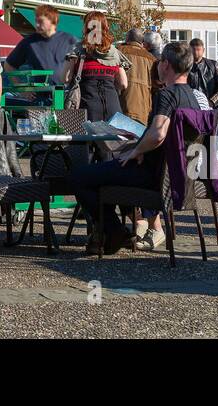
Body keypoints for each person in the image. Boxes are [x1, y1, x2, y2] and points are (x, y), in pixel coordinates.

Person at [67, 41, 208, 255]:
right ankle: (112, 231)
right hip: (178, 176)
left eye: (160, 62)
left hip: (153, 176)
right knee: (102, 174)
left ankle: (114, 230)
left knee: (80, 176)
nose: (158, 66)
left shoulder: (167, 95)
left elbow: (158, 133)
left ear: (166, 65)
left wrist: (137, 151)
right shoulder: (193, 98)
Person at [59, 12, 128, 158]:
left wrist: (69, 60)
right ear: (105, 27)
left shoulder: (78, 50)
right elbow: (123, 83)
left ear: (86, 27)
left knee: (85, 154)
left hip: (88, 107)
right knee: (110, 153)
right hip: (112, 107)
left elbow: (64, 78)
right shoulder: (114, 52)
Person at [5, 3, 77, 74]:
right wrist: (18, 84)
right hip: (39, 86)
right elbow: (8, 65)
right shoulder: (28, 42)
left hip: (63, 85)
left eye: (41, 21)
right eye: (36, 21)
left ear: (53, 20)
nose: (37, 25)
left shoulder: (68, 40)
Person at [118, 28, 157, 126]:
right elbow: (156, 87)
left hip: (120, 106)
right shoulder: (151, 59)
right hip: (143, 109)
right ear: (142, 42)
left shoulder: (118, 52)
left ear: (127, 39)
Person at [188, 38, 218, 104]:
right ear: (189, 50)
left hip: (211, 106)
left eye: (198, 50)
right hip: (190, 105)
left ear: (203, 50)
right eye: (193, 50)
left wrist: (212, 102)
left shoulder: (214, 65)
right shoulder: (184, 66)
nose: (196, 52)